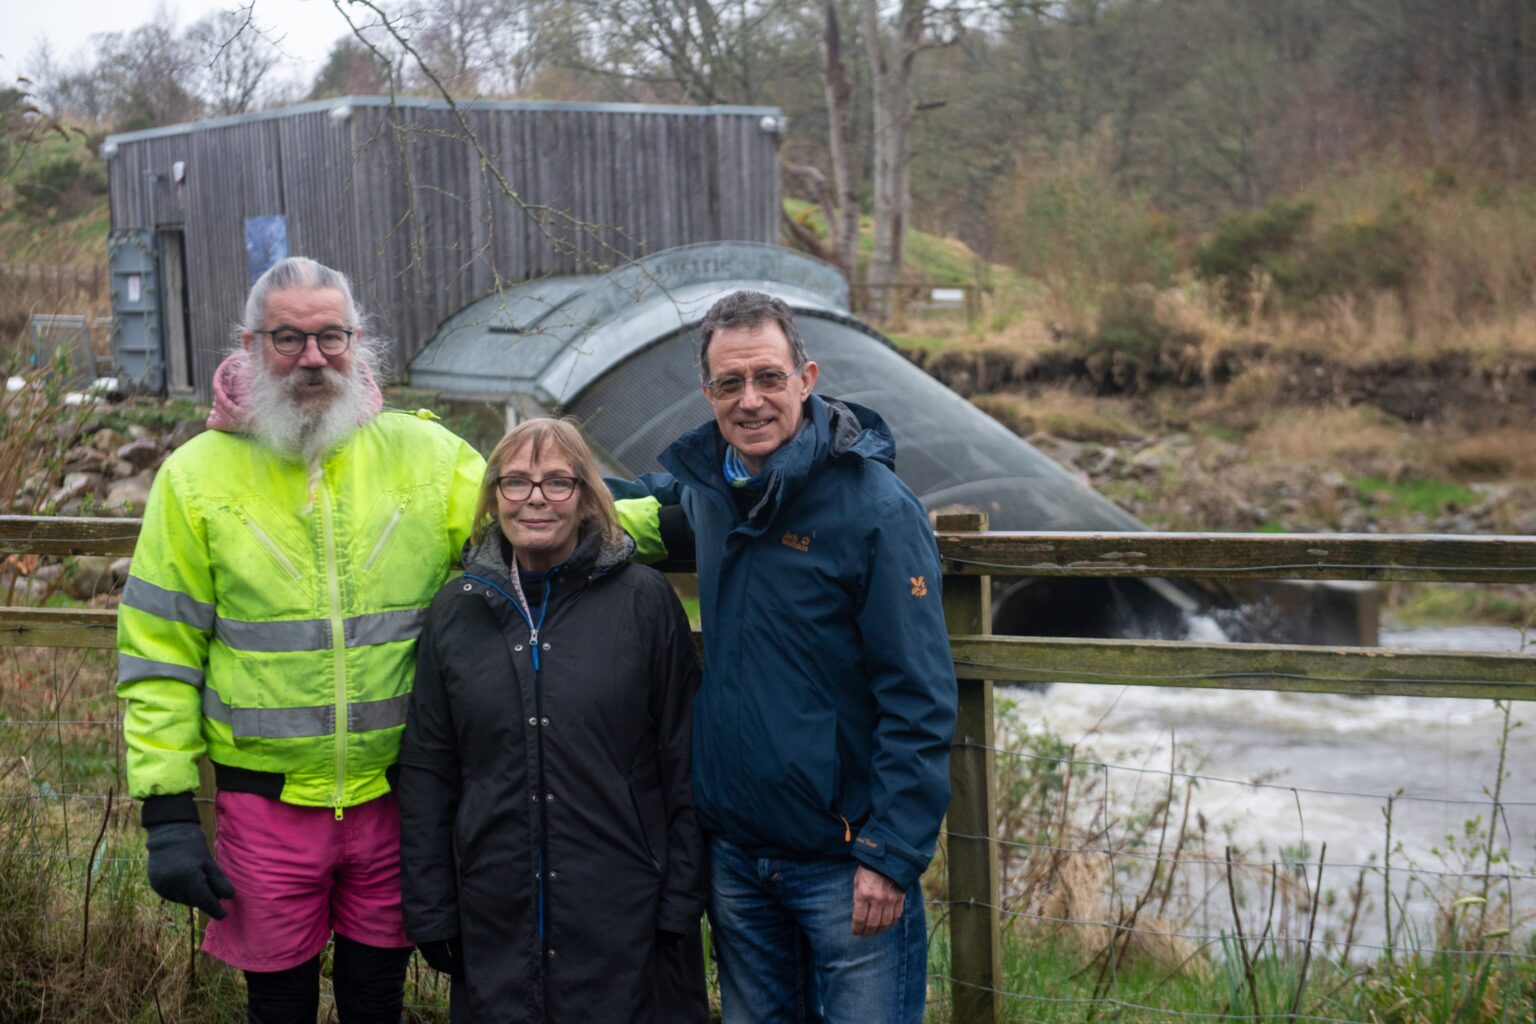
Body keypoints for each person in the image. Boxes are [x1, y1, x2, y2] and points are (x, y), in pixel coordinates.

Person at [117, 257, 485, 1023]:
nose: (313, 358)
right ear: (251, 345)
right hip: (265, 803)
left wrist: (676, 516)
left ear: (357, 339)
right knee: (278, 1000)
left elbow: (539, 515)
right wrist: (168, 812)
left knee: (377, 994)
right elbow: (159, 653)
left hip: (397, 795)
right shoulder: (195, 477)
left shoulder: (428, 456)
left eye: (330, 336)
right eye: (289, 338)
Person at [610, 290, 958, 1023]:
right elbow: (644, 501)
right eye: (730, 383)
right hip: (738, 858)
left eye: (769, 377)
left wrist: (891, 853)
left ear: (807, 378)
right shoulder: (713, 490)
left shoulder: (876, 510)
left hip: (846, 864)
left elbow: (919, 694)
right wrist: (544, 497)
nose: (751, 400)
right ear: (707, 393)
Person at [398, 417, 707, 1024]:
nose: (535, 498)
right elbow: (429, 769)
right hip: (496, 915)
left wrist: (681, 897)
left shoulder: (644, 602)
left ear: (588, 497)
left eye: (557, 482)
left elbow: (685, 758)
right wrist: (432, 910)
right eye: (515, 482)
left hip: (624, 916)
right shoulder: (456, 612)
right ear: (493, 500)